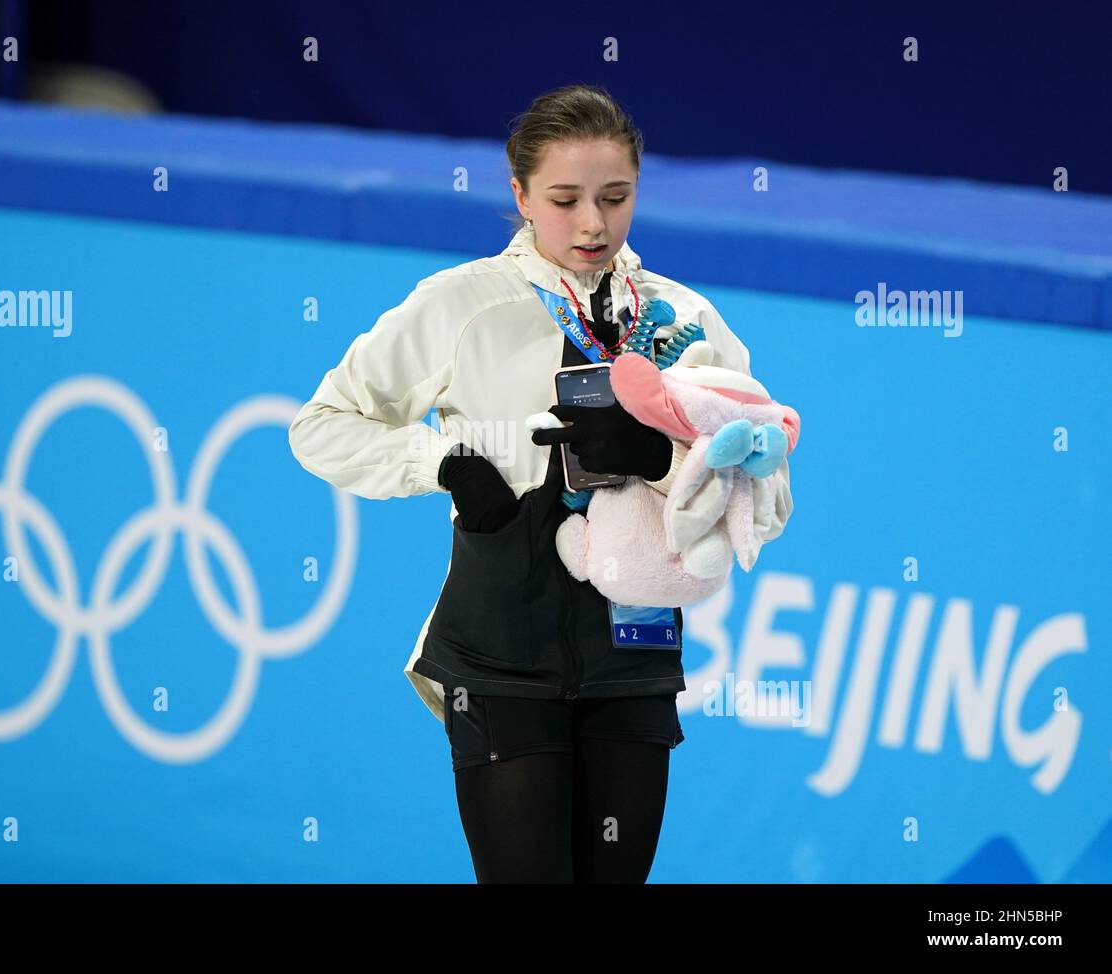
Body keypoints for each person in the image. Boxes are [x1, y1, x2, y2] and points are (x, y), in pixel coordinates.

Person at [288, 84, 793, 883]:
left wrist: (657, 462)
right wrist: (441, 464)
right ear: (520, 194)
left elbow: (767, 495)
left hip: (635, 653)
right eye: (565, 200)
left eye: (615, 197)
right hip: (498, 656)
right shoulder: (463, 306)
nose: (593, 223)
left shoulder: (681, 320)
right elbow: (320, 424)